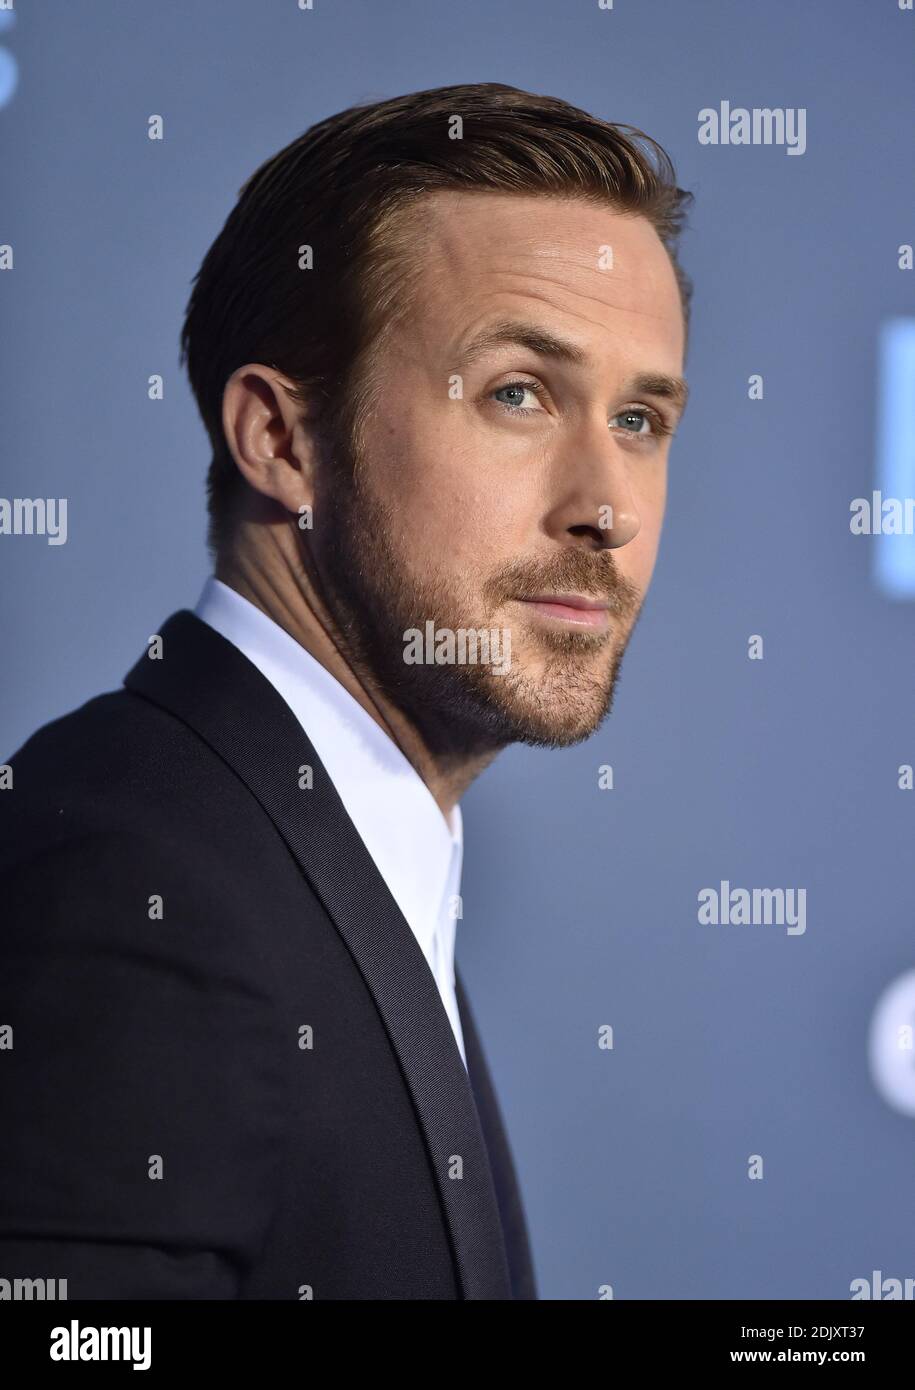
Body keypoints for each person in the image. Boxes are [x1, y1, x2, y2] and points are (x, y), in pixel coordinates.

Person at [0, 81, 691, 1300]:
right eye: (518, 393)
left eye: (639, 416)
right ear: (279, 438)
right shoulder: (132, 875)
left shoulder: (329, 845)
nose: (608, 505)